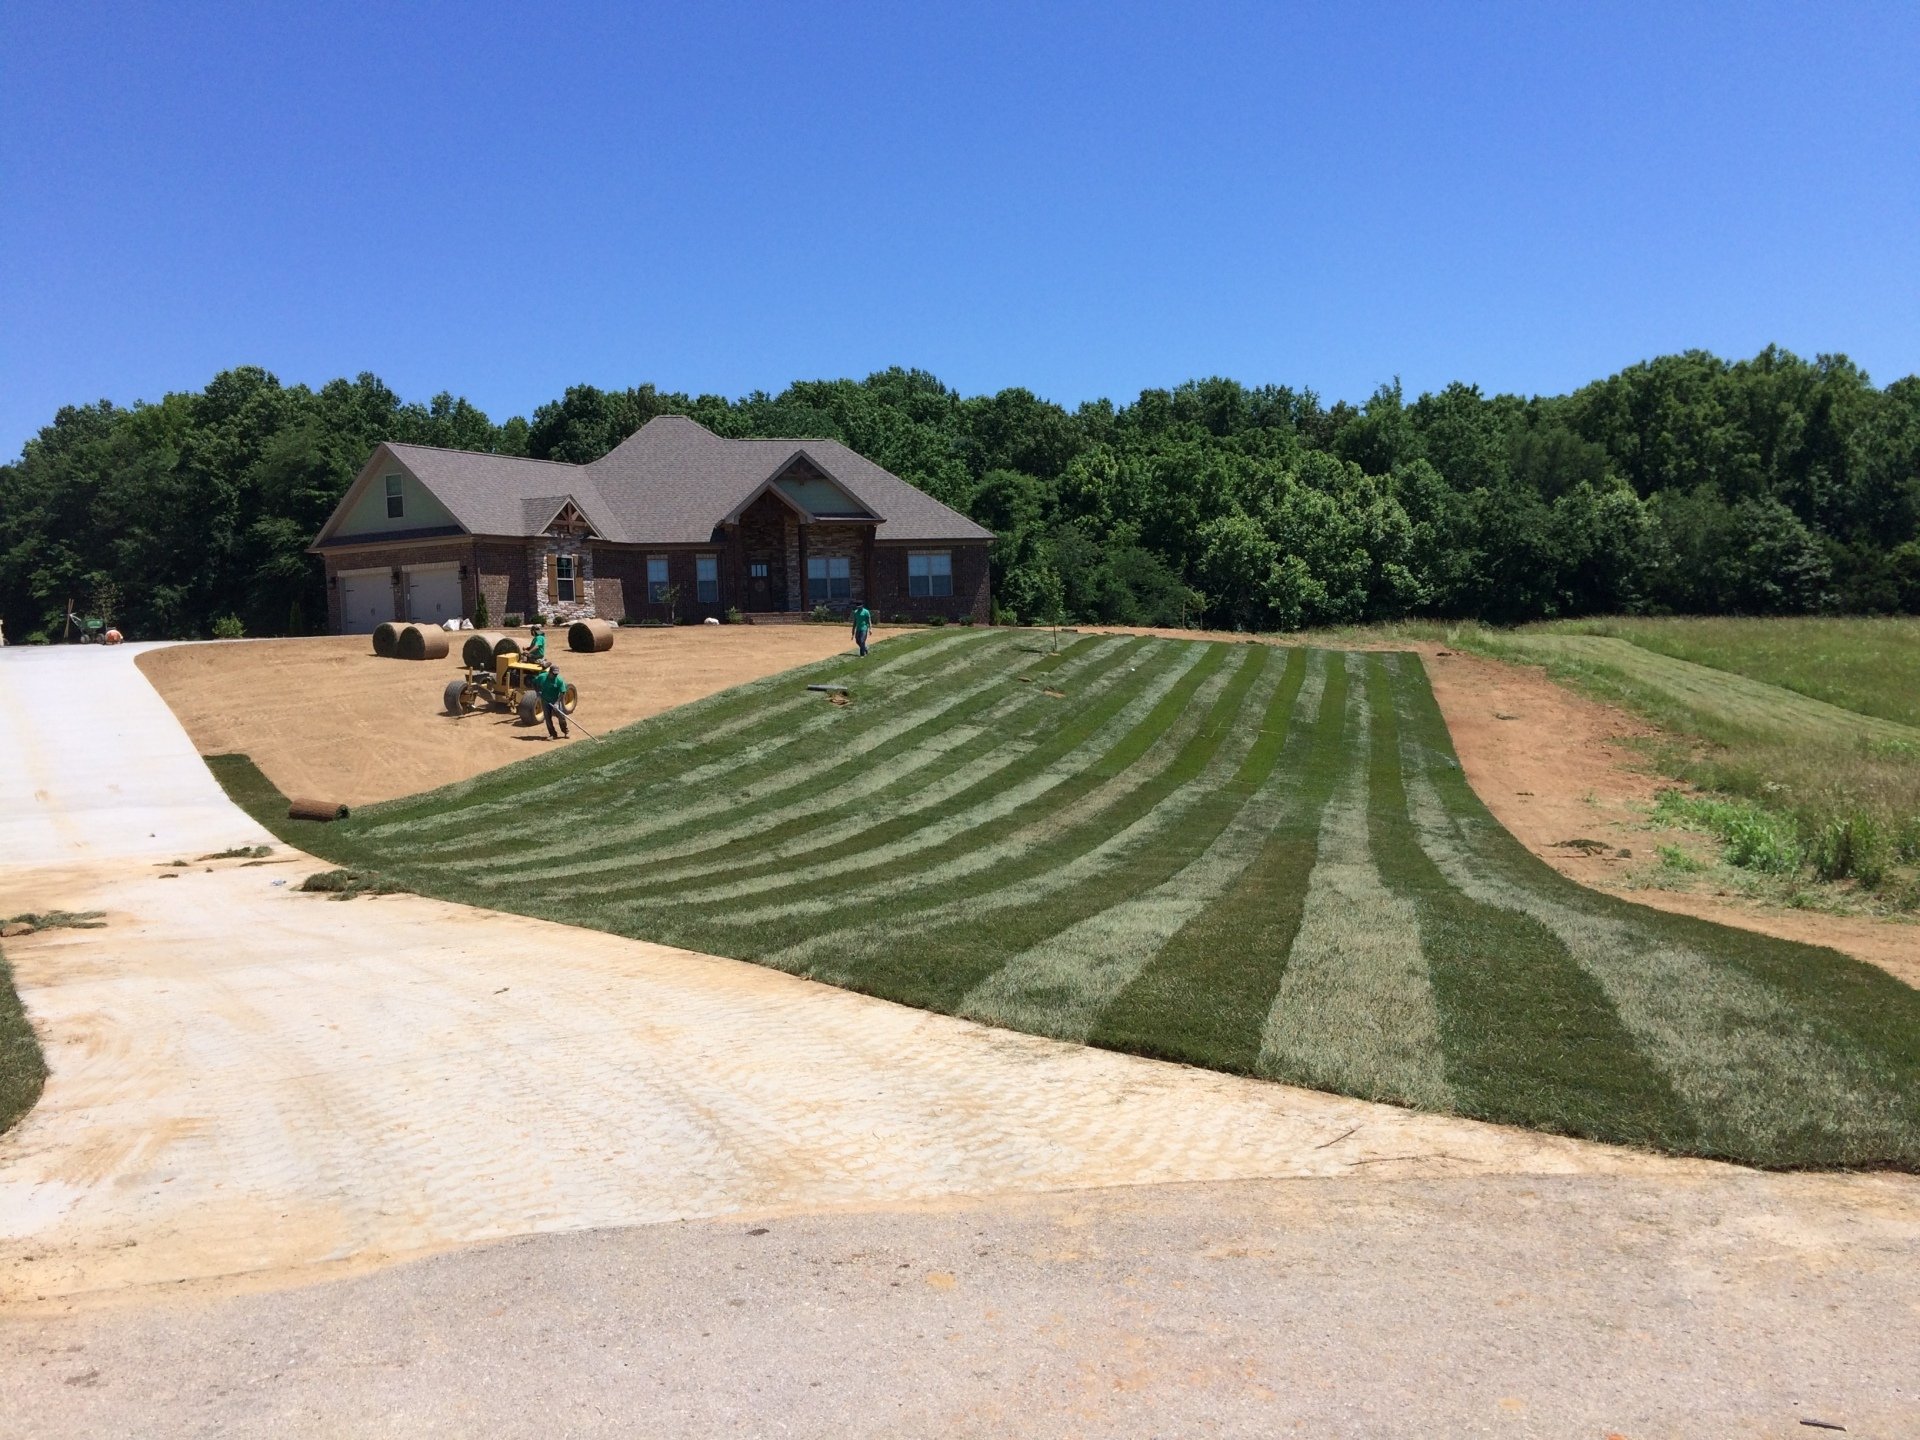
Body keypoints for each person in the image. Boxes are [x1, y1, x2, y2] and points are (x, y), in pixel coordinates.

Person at [534, 662, 571, 740]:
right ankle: (552, 734)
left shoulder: (559, 680)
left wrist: (557, 703)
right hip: (545, 700)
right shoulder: (541, 677)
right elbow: (534, 682)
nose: (555, 675)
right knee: (547, 718)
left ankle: (565, 731)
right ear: (549, 672)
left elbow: (562, 692)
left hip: (555, 700)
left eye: (556, 674)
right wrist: (537, 691)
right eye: (554, 674)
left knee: (561, 716)